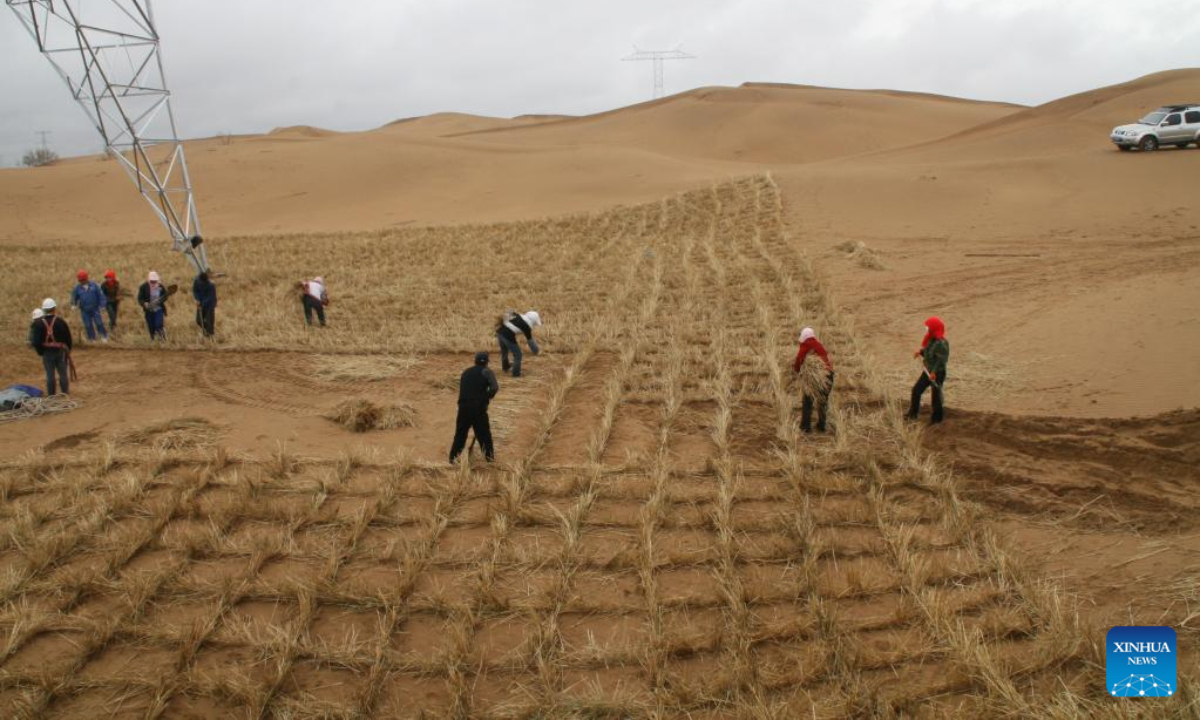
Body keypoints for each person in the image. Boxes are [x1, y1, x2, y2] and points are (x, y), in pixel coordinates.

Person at [449, 351, 499, 463]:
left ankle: (453, 458)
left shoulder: (466, 372)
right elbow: (495, 388)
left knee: (460, 434)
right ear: (486, 362)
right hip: (478, 407)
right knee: (484, 433)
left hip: (463, 406)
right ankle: (489, 458)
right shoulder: (487, 371)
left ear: (475, 361)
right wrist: (486, 397)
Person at [907, 316, 950, 424]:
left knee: (936, 397)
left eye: (928, 327)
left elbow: (941, 360)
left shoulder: (942, 344)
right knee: (916, 390)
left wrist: (934, 372)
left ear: (934, 328)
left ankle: (937, 420)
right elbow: (928, 350)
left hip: (937, 373)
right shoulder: (931, 339)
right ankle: (912, 414)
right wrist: (920, 352)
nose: (926, 329)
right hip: (928, 371)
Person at [793, 326, 835, 433]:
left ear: (804, 336)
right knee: (823, 401)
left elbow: (799, 359)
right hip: (828, 376)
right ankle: (822, 425)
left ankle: (805, 427)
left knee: (808, 400)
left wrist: (797, 370)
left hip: (816, 377)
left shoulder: (807, 344)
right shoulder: (818, 345)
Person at [30, 298, 73, 396]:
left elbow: (36, 342)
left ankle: (51, 396)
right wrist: (67, 351)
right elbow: (68, 338)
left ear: (44, 310)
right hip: (61, 351)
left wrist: (41, 352)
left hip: (47, 353)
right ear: (54, 308)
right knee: (63, 374)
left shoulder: (39, 324)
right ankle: (64, 393)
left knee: (50, 375)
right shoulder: (61, 322)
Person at [495, 309, 541, 377]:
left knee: (504, 351)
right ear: (534, 321)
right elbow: (530, 341)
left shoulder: (518, 315)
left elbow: (509, 311)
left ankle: (505, 367)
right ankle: (516, 374)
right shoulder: (527, 327)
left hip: (499, 332)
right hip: (507, 336)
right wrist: (536, 351)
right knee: (518, 355)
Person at [70, 270, 108, 343]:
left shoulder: (94, 285)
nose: (81, 281)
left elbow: (101, 295)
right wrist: (73, 304)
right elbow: (74, 296)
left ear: (86, 279)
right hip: (84, 310)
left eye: (82, 280)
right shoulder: (77, 288)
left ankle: (104, 337)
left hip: (95, 309)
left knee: (99, 323)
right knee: (88, 325)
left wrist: (102, 305)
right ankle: (92, 339)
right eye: (80, 280)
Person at [137, 271, 169, 340]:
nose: (153, 282)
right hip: (148, 310)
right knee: (151, 327)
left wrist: (160, 300)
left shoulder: (160, 286)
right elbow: (140, 299)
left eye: (155, 281)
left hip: (158, 309)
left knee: (158, 324)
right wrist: (144, 303)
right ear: (148, 280)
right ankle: (153, 339)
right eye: (152, 281)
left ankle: (163, 338)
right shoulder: (143, 287)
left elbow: (165, 296)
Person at [192, 271, 217, 338]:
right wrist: (197, 299)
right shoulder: (196, 281)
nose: (201, 283)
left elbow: (210, 297)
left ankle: (209, 334)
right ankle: (208, 329)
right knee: (198, 320)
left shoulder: (211, 285)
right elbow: (195, 291)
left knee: (209, 320)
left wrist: (202, 304)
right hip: (200, 303)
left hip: (210, 305)